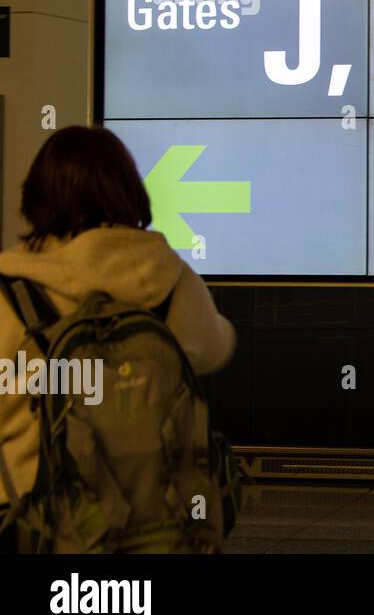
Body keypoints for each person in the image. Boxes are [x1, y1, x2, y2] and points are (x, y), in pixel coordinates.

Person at [0, 126, 235, 552]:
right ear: (129, 192)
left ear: (35, 198)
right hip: (159, 531)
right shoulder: (173, 281)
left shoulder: (8, 294)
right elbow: (217, 346)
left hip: (37, 533)